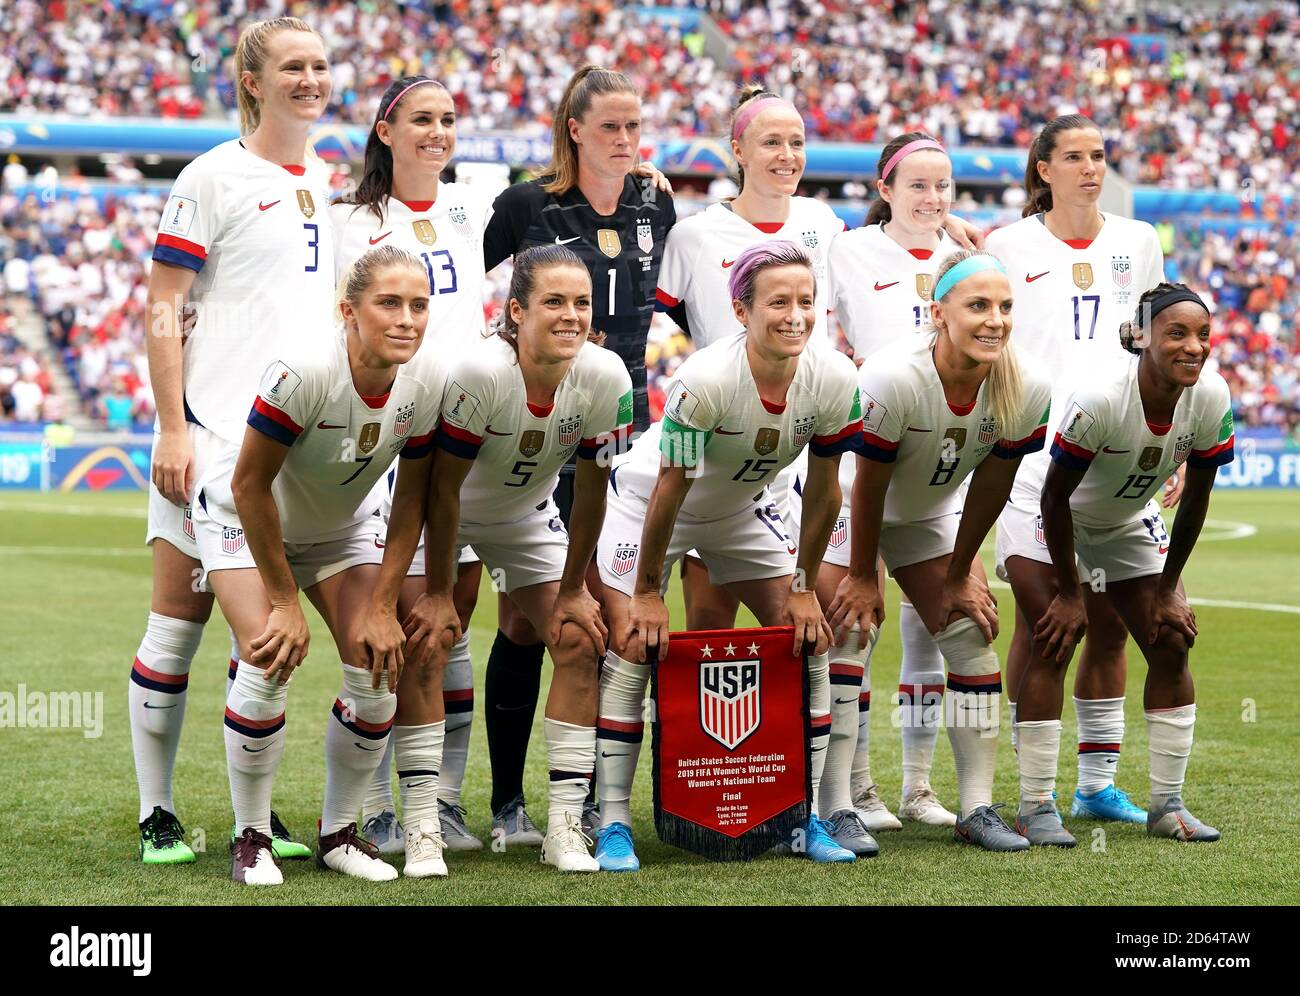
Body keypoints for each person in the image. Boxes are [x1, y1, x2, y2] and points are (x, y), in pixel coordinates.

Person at [132, 16, 332, 865]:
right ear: (253, 81)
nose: (311, 79)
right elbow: (162, 305)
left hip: (293, 451)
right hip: (212, 440)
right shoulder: (210, 176)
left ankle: (255, 815)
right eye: (293, 66)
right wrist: (174, 427)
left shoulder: (328, 178)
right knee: (179, 626)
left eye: (320, 65)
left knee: (266, 646)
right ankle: (158, 812)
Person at [594, 241, 864, 871]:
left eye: (806, 301)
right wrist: (648, 592)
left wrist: (803, 586)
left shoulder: (834, 377)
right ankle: (611, 822)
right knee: (634, 641)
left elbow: (825, 491)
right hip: (651, 506)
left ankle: (804, 815)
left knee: (808, 638)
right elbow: (671, 487)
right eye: (778, 302)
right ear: (741, 310)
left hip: (742, 509)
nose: (795, 315)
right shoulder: (706, 378)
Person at [193, 247, 446, 884]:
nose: (406, 319)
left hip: (340, 530)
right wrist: (284, 601)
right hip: (241, 519)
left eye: (418, 305)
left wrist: (384, 605)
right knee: (268, 654)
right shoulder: (305, 370)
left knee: (378, 662)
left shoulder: (427, 381)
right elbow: (249, 486)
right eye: (389, 303)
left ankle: (339, 833)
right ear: (348, 311)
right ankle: (251, 836)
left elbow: (412, 499)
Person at [379, 244, 631, 872]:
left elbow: (594, 489)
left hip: (525, 515)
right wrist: (439, 593)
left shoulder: (609, 377)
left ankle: (565, 828)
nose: (571, 315)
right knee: (428, 642)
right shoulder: (480, 372)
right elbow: (441, 490)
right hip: (442, 514)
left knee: (579, 638)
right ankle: (421, 824)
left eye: (581, 303)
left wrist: (573, 588)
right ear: (516, 311)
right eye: (554, 301)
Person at [479, 66, 674, 841]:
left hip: (625, 434)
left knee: (610, 615)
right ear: (575, 129)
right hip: (536, 434)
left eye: (634, 127)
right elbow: (460, 286)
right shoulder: (525, 205)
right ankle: (507, 805)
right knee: (529, 623)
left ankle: (594, 801)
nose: (625, 140)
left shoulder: (655, 200)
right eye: (610, 127)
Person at [826, 249, 1052, 853]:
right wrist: (863, 575)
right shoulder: (893, 375)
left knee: (971, 633)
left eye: (1005, 306)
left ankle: (975, 808)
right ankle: (836, 805)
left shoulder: (1028, 385)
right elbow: (867, 484)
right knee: (849, 630)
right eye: (978, 305)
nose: (995, 319)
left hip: (927, 514)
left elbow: (992, 487)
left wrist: (958, 574)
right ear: (939, 313)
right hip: (849, 506)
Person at [985, 114, 1170, 826]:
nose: (1090, 168)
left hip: (1118, 454)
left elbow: (1152, 344)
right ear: (1043, 169)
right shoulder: (1007, 245)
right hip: (1035, 457)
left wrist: (1163, 444)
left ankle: (1096, 785)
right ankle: (1031, 788)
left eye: (1098, 155)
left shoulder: (1139, 241)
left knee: (1111, 625)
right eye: (1074, 157)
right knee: (1043, 625)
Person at [330, 74, 491, 854]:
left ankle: (441, 801)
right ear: (386, 131)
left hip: (461, 438)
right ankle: (373, 806)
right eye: (421, 118)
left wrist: (641, 180)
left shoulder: (472, 208)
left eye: (448, 119)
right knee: (385, 621)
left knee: (449, 623)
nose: (438, 131)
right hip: (383, 437)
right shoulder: (350, 222)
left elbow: (561, 198)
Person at [1034, 283, 1232, 842]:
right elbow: (1054, 497)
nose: (1194, 346)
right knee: (1050, 636)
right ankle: (1035, 804)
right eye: (1177, 333)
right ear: (1142, 337)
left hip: (1125, 517)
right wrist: (1070, 592)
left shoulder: (1211, 396)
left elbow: (1196, 500)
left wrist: (1168, 589)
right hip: (1051, 508)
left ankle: (1166, 806)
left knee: (1171, 638)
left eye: (1203, 335)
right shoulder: (1102, 398)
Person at [805, 131, 961, 836]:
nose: (932, 198)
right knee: (853, 623)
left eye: (942, 185)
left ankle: (919, 786)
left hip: (940, 464)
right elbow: (805, 322)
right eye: (917, 185)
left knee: (937, 626)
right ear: (885, 189)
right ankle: (857, 786)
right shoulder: (847, 250)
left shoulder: (966, 257)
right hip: (864, 455)